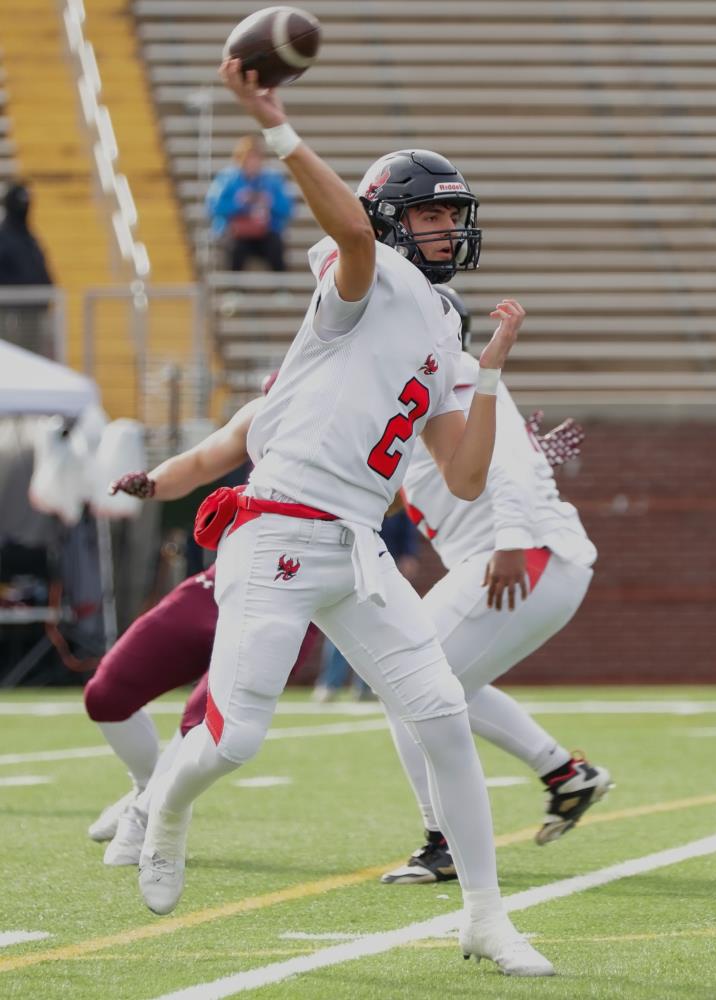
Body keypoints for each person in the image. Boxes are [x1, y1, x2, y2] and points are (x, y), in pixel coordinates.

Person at [130, 57, 551, 976]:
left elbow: (465, 478)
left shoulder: (441, 322)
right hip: (279, 525)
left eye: (453, 214)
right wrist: (272, 121)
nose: (448, 229)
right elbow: (351, 233)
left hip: (355, 545)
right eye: (430, 214)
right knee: (234, 741)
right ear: (392, 217)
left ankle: (485, 917)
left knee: (442, 713)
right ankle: (166, 803)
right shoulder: (364, 275)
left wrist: (490, 374)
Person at [381, 286, 610, 884]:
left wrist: (510, 540)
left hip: (523, 554)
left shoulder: (452, 371)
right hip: (519, 554)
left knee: (407, 679)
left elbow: (506, 458)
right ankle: (564, 774)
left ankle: (442, 840)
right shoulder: (418, 382)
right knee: (440, 683)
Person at [85, 389, 316, 852]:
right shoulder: (272, 405)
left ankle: (147, 815)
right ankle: (146, 788)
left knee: (202, 718)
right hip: (223, 580)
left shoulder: (365, 413)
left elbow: (393, 499)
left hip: (288, 596)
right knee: (107, 693)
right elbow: (200, 461)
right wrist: (152, 481)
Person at [313, 510, 422, 701]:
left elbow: (404, 522)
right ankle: (330, 684)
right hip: (352, 559)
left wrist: (408, 553)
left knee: (378, 627)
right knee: (344, 625)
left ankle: (366, 687)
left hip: (383, 562)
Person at [206, 135, 293, 271]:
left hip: (266, 232)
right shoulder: (227, 179)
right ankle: (233, 284)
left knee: (275, 247)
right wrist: (238, 203)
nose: (252, 162)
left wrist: (270, 202)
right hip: (237, 234)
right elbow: (213, 207)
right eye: (248, 158)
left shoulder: (272, 180)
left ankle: (281, 284)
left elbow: (287, 209)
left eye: (255, 158)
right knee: (235, 249)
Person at [0, 181, 55, 357]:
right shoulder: (4, 238)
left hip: (33, 318)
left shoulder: (30, 239)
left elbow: (42, 274)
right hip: (10, 319)